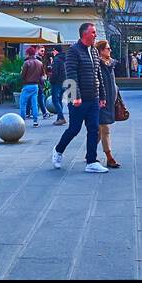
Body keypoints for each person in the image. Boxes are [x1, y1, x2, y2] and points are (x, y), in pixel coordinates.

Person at [51, 22, 108, 173]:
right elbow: (71, 74)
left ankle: (91, 162)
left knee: (94, 130)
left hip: (93, 98)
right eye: (93, 32)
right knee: (74, 129)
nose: (95, 35)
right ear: (84, 34)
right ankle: (58, 151)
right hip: (78, 100)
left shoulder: (94, 51)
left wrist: (102, 95)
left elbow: (98, 74)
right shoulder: (73, 51)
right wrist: (75, 96)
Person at [94, 39, 121, 168]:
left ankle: (90, 152)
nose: (110, 50)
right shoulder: (97, 64)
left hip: (110, 101)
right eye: (107, 48)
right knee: (105, 129)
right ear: (100, 51)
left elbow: (113, 83)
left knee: (99, 131)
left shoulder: (110, 64)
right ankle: (109, 157)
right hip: (101, 101)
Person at [19, 47, 45, 127]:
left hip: (27, 85)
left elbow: (22, 76)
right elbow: (42, 75)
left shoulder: (26, 63)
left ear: (28, 53)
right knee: (34, 104)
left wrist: (21, 72)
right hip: (36, 86)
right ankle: (35, 121)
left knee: (23, 103)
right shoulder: (40, 63)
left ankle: (22, 121)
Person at [49, 48, 67, 126]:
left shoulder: (56, 59)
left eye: (53, 50)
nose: (53, 52)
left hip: (57, 82)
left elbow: (55, 72)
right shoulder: (65, 59)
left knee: (55, 100)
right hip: (64, 81)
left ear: (56, 51)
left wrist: (51, 80)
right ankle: (59, 118)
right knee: (59, 100)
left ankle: (61, 118)